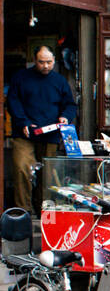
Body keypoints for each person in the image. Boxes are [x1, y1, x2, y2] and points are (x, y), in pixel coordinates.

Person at [7, 46, 77, 212]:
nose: (45, 66)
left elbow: (70, 105)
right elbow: (13, 102)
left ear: (54, 60)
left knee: (48, 175)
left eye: (49, 62)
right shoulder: (21, 78)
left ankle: (45, 210)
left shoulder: (59, 81)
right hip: (24, 134)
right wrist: (22, 121)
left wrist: (65, 117)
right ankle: (24, 211)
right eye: (41, 62)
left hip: (50, 134)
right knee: (22, 170)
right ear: (34, 60)